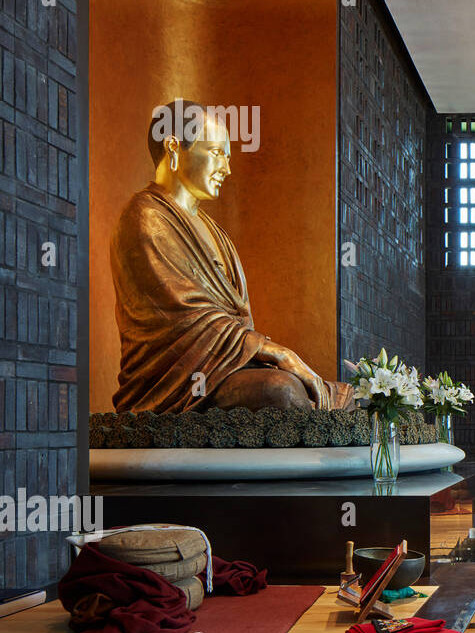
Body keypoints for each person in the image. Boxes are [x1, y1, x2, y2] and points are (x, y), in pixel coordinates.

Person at [110, 99, 350, 412]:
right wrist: (273, 351)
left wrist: (261, 353)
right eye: (216, 153)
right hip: (180, 382)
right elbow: (183, 319)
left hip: (227, 362)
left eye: (228, 156)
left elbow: (236, 318)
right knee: (282, 391)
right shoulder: (145, 218)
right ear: (173, 147)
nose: (227, 168)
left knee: (349, 397)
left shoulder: (214, 231)